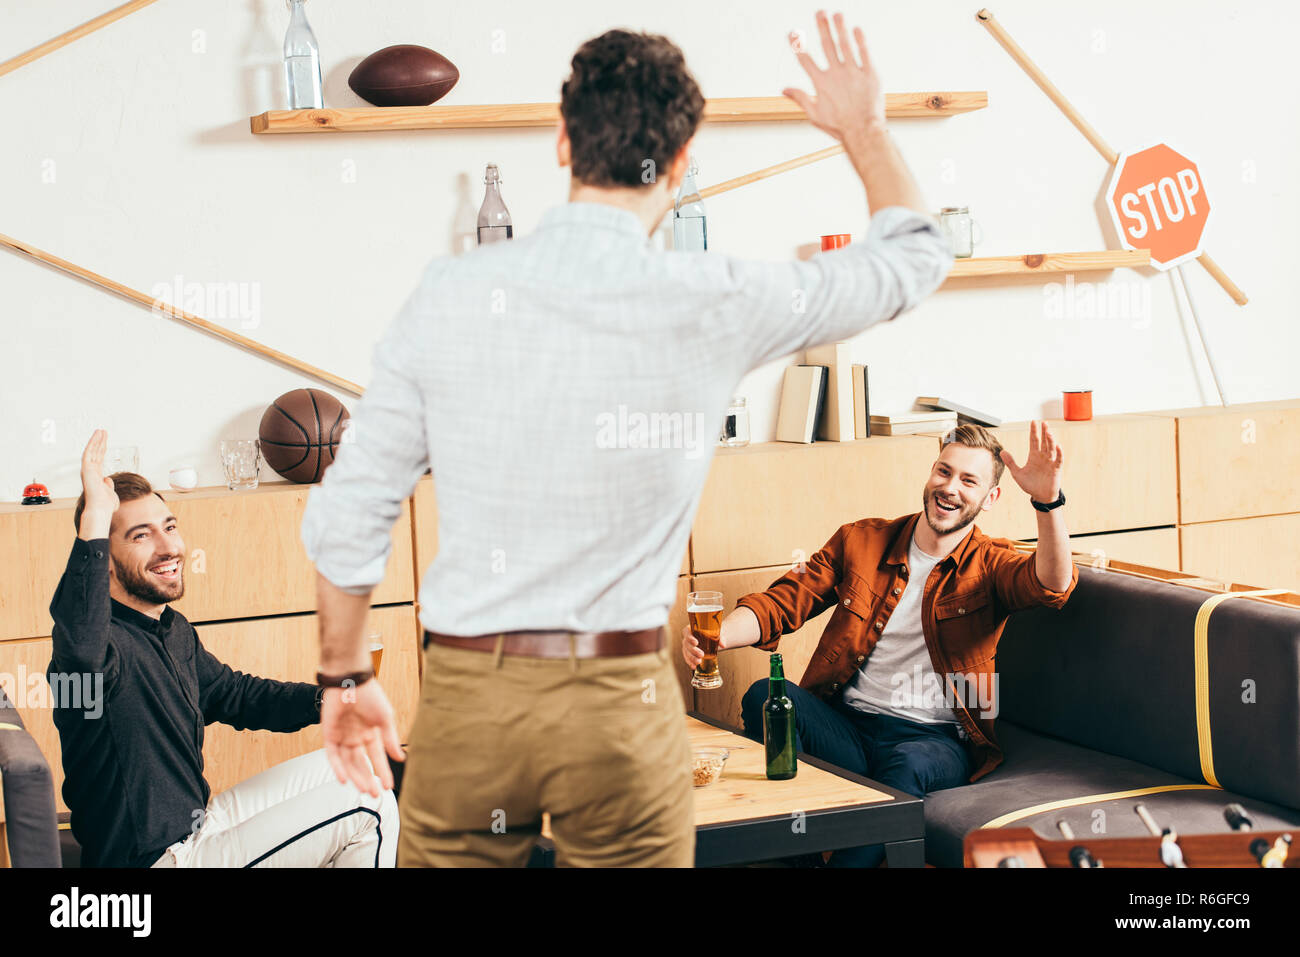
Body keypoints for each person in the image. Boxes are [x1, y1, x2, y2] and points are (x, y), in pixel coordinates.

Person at [300, 10, 953, 867]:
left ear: (564, 142)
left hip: (473, 698)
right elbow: (913, 259)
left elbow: (352, 511)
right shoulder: (714, 296)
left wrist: (345, 678)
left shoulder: (453, 292)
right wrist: (862, 126)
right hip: (623, 697)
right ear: (681, 165)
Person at [681, 422, 1078, 866]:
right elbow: (782, 603)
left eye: (969, 481)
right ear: (930, 474)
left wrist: (1047, 501)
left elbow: (1052, 585)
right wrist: (715, 638)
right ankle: (794, 859)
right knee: (766, 698)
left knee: (905, 767)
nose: (950, 488)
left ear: (990, 499)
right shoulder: (862, 540)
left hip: (932, 741)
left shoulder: (990, 564)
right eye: (944, 472)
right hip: (848, 725)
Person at [48, 429, 398, 867]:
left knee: (360, 770)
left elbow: (237, 695)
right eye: (141, 536)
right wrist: (94, 521)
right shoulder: (94, 656)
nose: (168, 547)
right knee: (367, 809)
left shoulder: (171, 629)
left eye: (169, 527)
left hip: (196, 826)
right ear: (107, 563)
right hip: (157, 859)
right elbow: (79, 642)